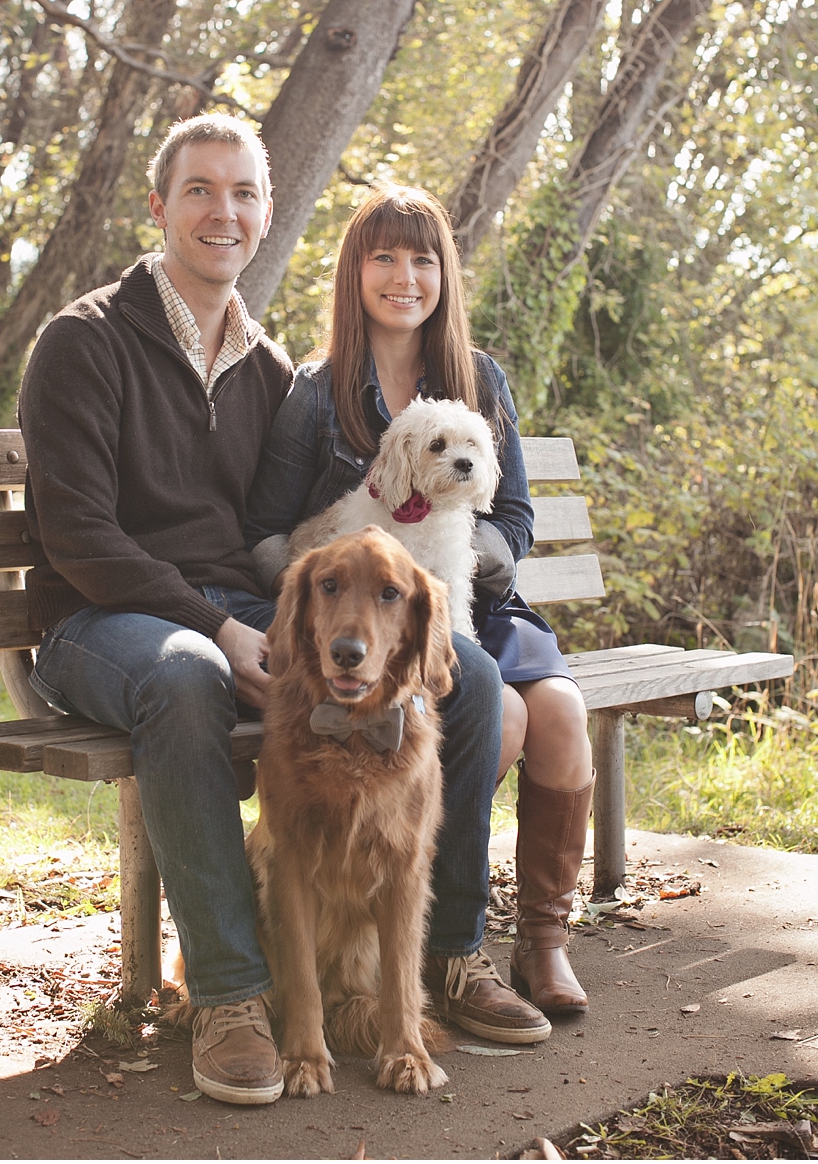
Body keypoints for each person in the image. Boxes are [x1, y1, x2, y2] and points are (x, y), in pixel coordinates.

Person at [18, 116, 524, 1108]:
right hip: (98, 620)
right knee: (187, 677)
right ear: (159, 206)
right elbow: (77, 535)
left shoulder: (265, 369)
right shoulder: (84, 340)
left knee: (462, 675)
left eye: (244, 192)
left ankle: (451, 954)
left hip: (237, 608)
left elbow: (295, 529)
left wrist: (344, 616)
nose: (225, 211)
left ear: (266, 212)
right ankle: (230, 995)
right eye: (200, 190)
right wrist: (219, 627)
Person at [245, 185, 597, 1017]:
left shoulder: (480, 378)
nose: (405, 276)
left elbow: (514, 516)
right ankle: (455, 950)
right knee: (492, 706)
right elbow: (264, 533)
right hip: (374, 623)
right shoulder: (317, 390)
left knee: (562, 712)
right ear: (355, 273)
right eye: (385, 258)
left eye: (422, 258)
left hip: (475, 601)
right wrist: (347, 578)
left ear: (445, 274)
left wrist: (453, 553)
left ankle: (543, 937)